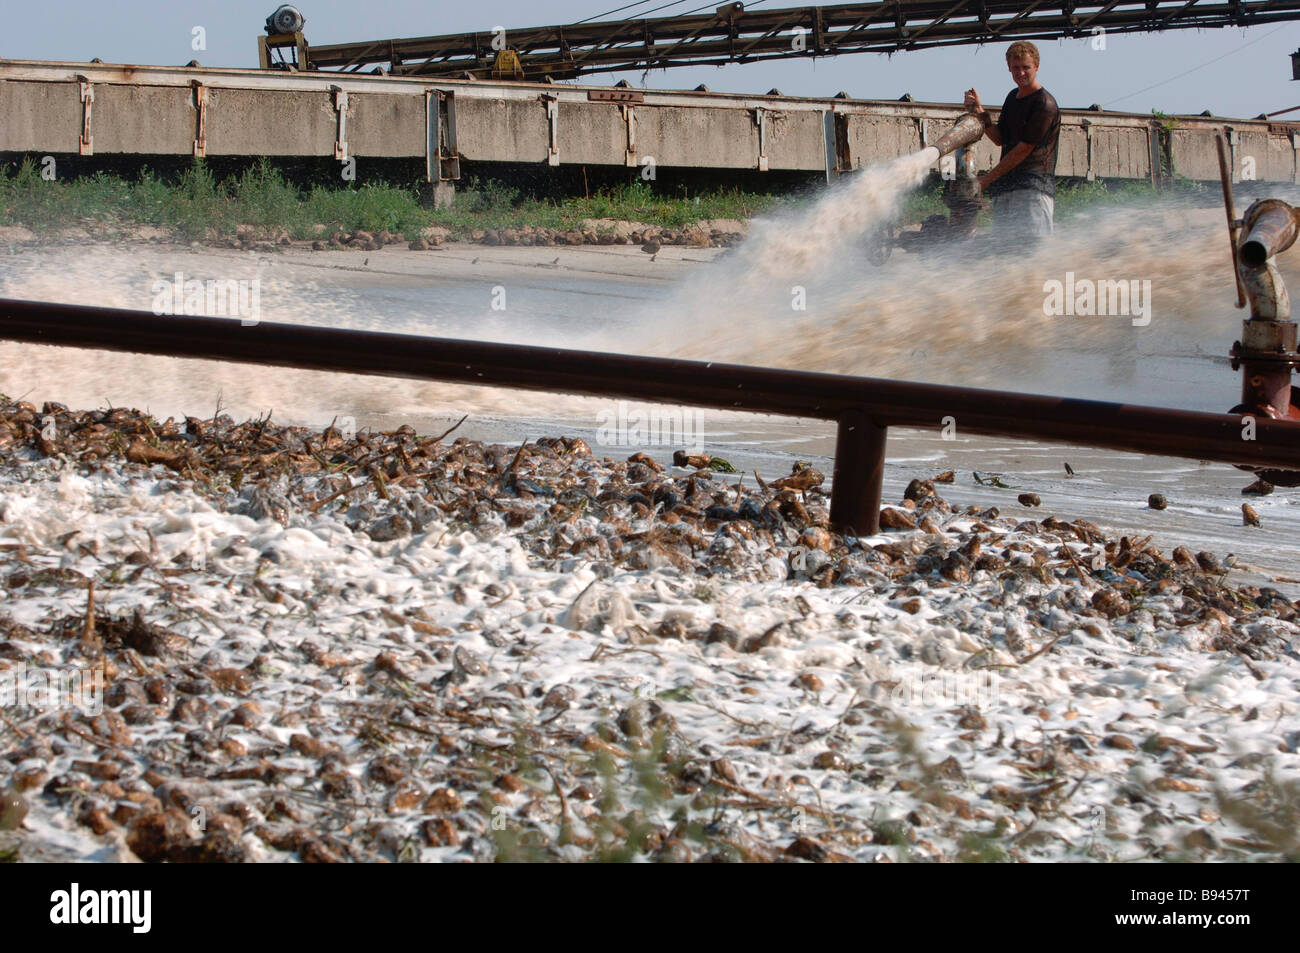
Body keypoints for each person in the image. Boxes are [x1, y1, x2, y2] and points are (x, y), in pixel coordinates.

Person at [964, 41, 1061, 239]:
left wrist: (986, 180)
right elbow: (1001, 139)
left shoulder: (1044, 104)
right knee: (1006, 256)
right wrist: (979, 112)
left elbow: (1024, 148)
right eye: (1016, 68)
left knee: (1033, 254)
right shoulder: (1012, 97)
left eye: (1026, 67)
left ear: (1037, 66)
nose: (1021, 73)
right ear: (1008, 68)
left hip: (1033, 189)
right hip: (1007, 189)